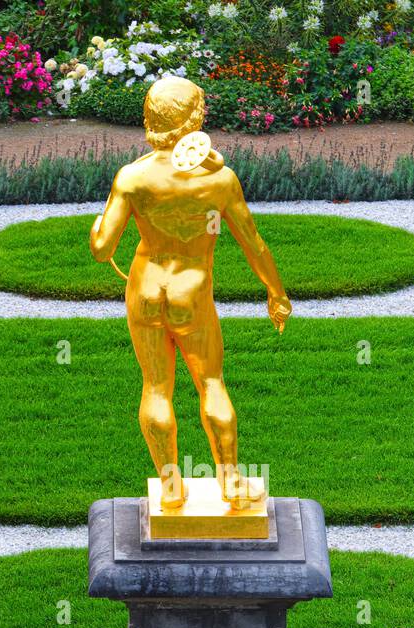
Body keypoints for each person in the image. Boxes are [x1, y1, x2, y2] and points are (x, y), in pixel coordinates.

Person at [90, 76, 292, 510]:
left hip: (145, 286)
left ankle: (170, 486)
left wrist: (96, 224)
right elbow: (253, 243)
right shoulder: (219, 181)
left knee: (156, 388)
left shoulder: (132, 177)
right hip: (192, 291)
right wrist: (275, 291)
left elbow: (103, 248)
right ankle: (232, 484)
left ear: (150, 120)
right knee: (212, 383)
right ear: (195, 118)